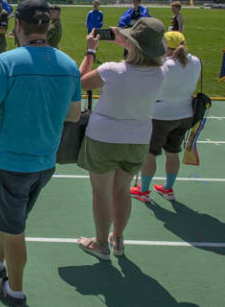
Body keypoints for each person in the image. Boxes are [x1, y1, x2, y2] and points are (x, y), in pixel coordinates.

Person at [0, 0, 81, 307]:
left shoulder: (6, 63)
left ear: (17, 26)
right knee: (12, 219)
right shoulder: (69, 65)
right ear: (47, 26)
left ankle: (14, 290)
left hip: (8, 160)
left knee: (14, 228)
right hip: (44, 162)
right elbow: (74, 116)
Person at [76, 17, 167, 260]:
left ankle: (100, 244)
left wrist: (90, 50)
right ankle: (117, 238)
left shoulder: (111, 71)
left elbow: (79, 81)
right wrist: (128, 41)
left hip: (104, 138)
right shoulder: (161, 73)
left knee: (101, 193)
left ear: (133, 45)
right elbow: (145, 60)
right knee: (122, 190)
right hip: (137, 138)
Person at [131, 31, 200, 202]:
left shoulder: (163, 65)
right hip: (185, 114)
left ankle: (144, 191)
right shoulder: (196, 61)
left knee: (150, 154)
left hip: (160, 115)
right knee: (172, 152)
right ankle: (168, 189)